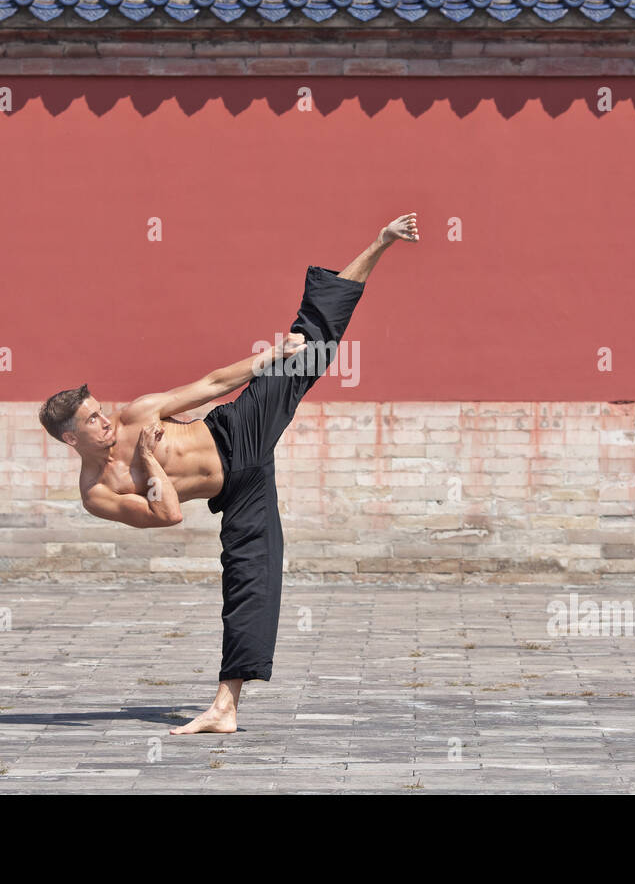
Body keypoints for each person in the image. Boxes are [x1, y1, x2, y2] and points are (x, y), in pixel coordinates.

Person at [38, 214, 419, 733]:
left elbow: (212, 383)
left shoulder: (137, 414)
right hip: (237, 488)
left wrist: (269, 357)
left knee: (310, 344)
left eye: (100, 410)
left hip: (238, 431)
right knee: (249, 583)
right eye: (92, 420)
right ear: (70, 439)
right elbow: (168, 515)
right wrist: (149, 461)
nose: (105, 420)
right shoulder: (98, 492)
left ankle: (380, 242)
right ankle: (225, 707)